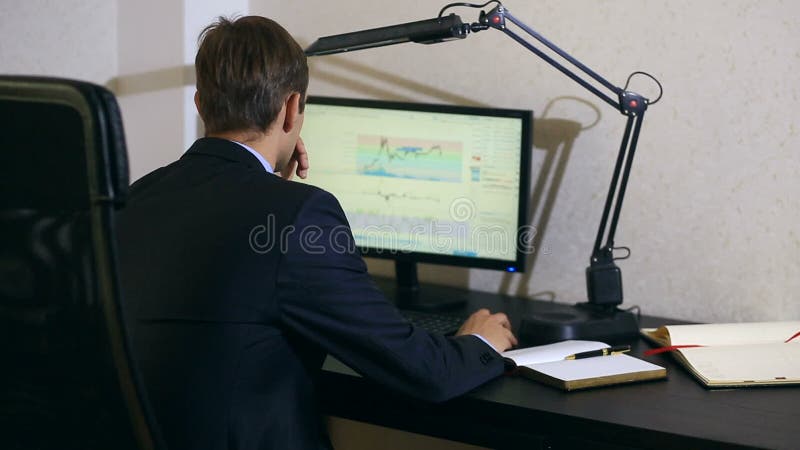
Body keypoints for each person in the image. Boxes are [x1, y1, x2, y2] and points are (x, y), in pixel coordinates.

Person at [116, 15, 517, 450]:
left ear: (199, 104)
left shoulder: (135, 197)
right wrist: (481, 341)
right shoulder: (301, 213)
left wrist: (271, 187)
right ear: (292, 107)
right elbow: (424, 374)